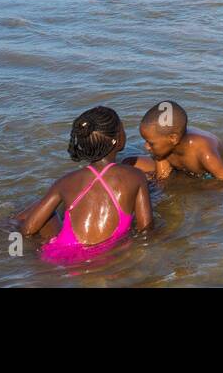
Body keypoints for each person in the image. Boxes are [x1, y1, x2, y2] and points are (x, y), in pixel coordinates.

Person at [15, 106, 152, 263]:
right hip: (105, 258)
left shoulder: (65, 181)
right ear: (117, 139)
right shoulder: (135, 176)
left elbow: (28, 229)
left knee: (38, 210)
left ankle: (6, 222)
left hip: (60, 256)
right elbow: (146, 229)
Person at [124, 101, 223, 182]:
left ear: (173, 138)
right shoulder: (163, 150)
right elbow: (162, 179)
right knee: (129, 164)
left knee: (211, 187)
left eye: (151, 143)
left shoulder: (203, 151)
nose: (146, 146)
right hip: (183, 170)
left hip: (219, 168)